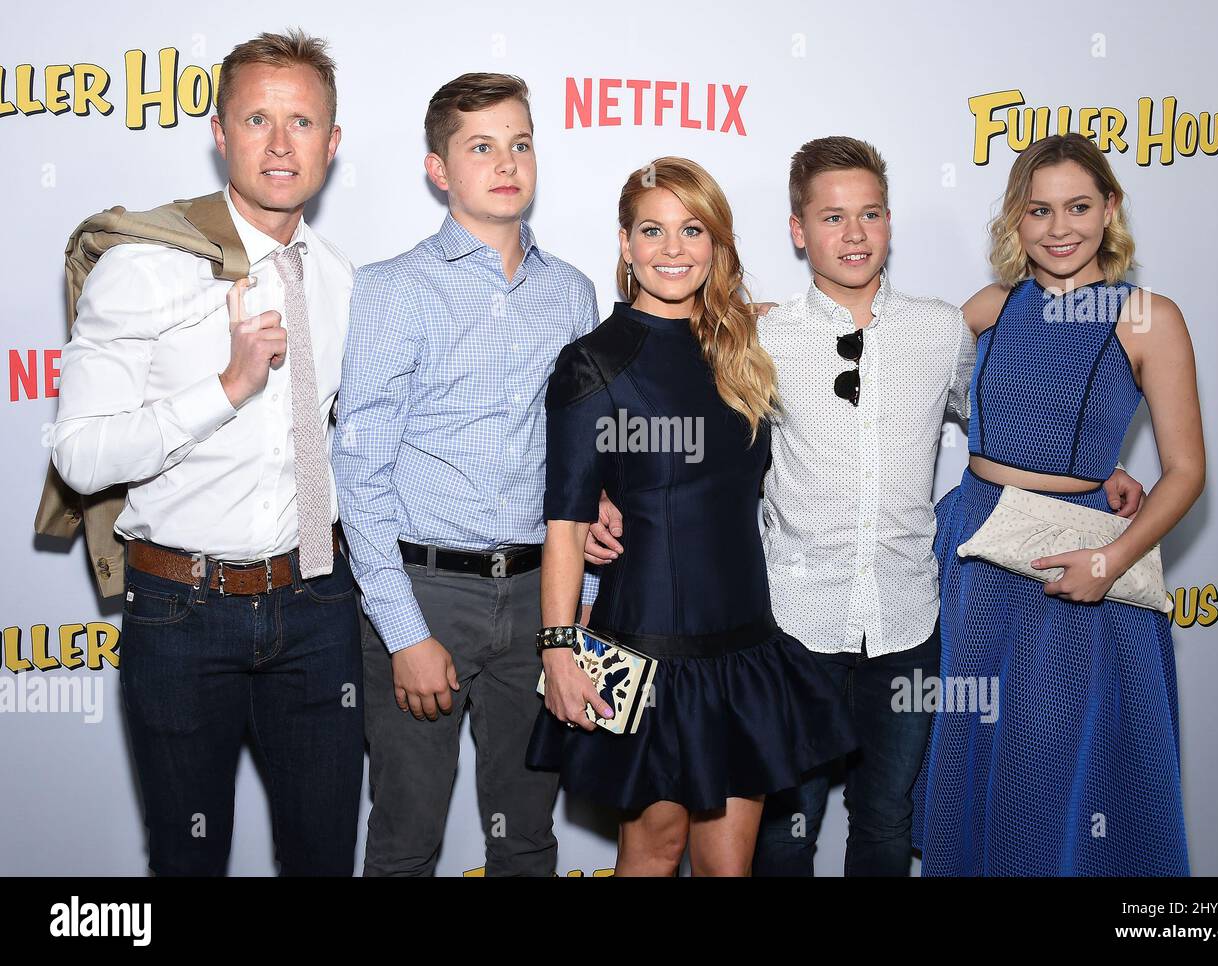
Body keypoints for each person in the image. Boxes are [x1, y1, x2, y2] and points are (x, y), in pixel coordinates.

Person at [585, 137, 1144, 876]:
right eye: (832, 218)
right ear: (798, 230)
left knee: (885, 825)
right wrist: (601, 491)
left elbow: (1007, 422)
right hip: (790, 630)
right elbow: (674, 437)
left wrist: (1097, 473)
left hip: (908, 624)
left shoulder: (944, 329)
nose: (853, 235)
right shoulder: (754, 337)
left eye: (870, 215)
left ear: (889, 223)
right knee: (784, 835)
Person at [49, 30, 362, 875]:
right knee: (187, 862)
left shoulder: (338, 281)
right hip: (181, 612)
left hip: (318, 609)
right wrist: (226, 387)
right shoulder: (146, 268)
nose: (280, 142)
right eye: (257, 119)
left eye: (302, 122)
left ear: (332, 144)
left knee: (326, 858)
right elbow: (78, 457)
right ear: (221, 133)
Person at [525, 156, 858, 877]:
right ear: (625, 244)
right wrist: (557, 646)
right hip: (643, 649)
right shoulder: (593, 363)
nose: (673, 250)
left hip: (744, 646)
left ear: (717, 245)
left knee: (726, 868)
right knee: (651, 853)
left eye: (692, 230)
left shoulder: (741, 349)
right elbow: (566, 520)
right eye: (653, 230)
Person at [911, 133, 1203, 875]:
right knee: (964, 752)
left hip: (1066, 567)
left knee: (1046, 773)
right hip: (971, 551)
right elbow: (893, 347)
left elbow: (1186, 471)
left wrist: (1111, 559)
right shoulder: (995, 305)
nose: (1060, 227)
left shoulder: (1147, 318)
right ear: (1016, 221)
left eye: (1078, 206)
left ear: (1111, 208)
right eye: (1039, 210)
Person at [333, 73, 599, 876]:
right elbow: (360, 473)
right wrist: (405, 632)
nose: (507, 162)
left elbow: (582, 464)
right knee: (407, 838)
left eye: (520, 143)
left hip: (538, 592)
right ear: (439, 170)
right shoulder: (392, 290)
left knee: (525, 836)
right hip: (425, 590)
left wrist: (576, 610)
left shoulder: (572, 293)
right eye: (482, 147)